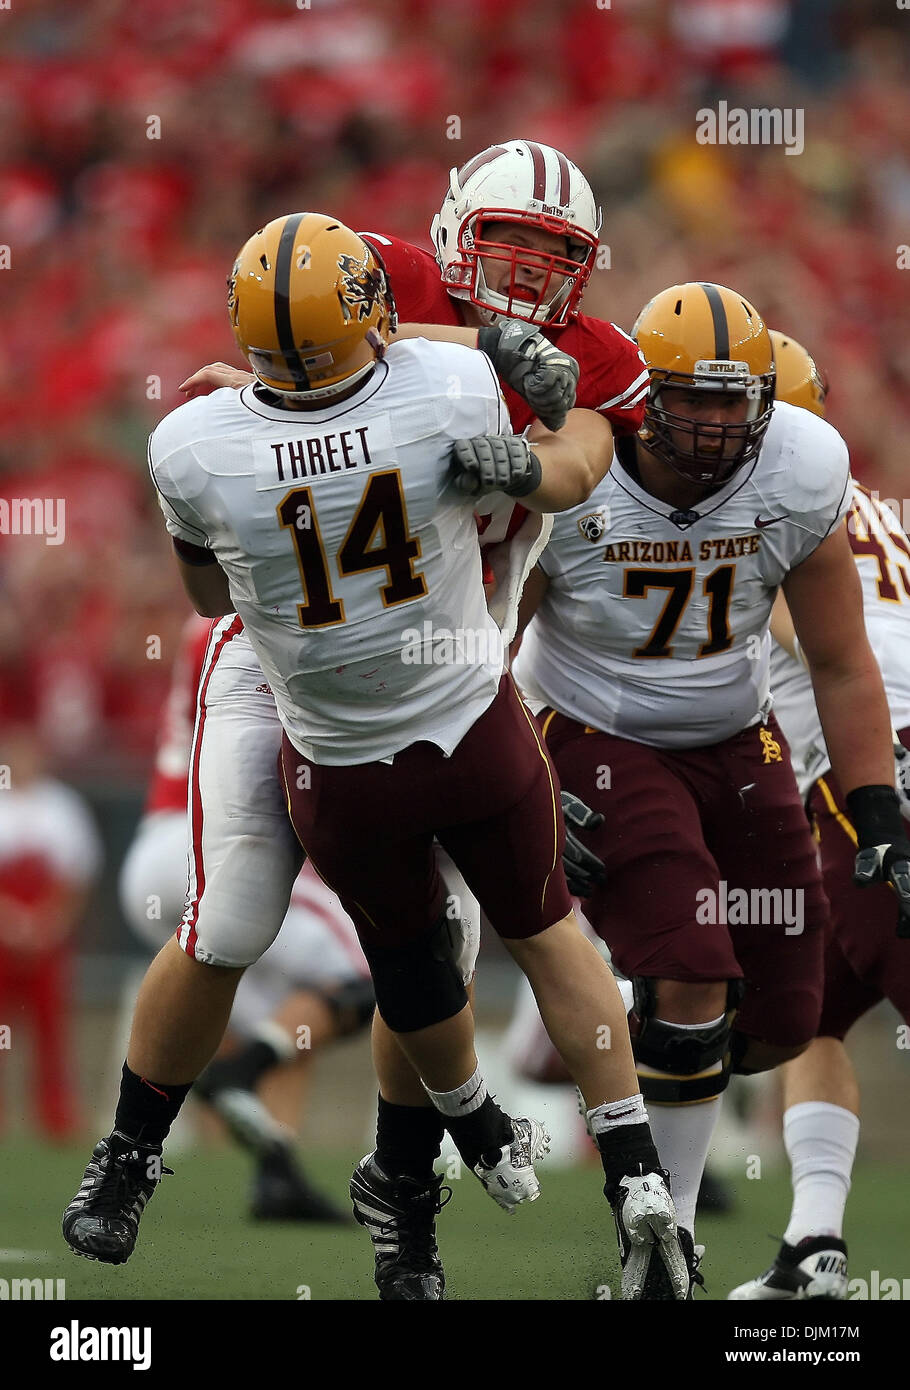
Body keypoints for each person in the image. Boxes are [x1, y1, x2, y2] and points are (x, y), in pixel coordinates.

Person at [64, 212, 688, 1301]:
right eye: (500, 252)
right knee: (238, 920)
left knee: (430, 941)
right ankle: (128, 1158)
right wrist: (497, 365)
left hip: (433, 667)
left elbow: (205, 577)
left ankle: (406, 1203)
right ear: (432, 254)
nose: (520, 281)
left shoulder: (200, 438)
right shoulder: (437, 367)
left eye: (550, 255)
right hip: (291, 670)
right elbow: (575, 434)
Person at [511, 282, 910, 1287]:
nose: (721, 423)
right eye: (698, 397)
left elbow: (839, 661)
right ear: (643, 391)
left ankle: (654, 1068)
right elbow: (476, 646)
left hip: (741, 738)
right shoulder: (577, 464)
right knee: (690, 965)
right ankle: (665, 1242)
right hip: (594, 723)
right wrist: (521, 783)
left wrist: (875, 807)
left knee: (781, 1018)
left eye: (741, 402)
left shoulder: (801, 469)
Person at [729, 332, 910, 1299]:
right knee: (812, 1022)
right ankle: (813, 1251)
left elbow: (816, 642)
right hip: (854, 780)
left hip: (873, 780)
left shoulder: (778, 514)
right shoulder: (884, 513)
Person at [119, 612, 375, 1222]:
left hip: (159, 843)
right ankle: (237, 1074)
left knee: (278, 1016)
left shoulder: (203, 621)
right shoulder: (267, 611)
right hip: (210, 841)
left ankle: (274, 1168)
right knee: (369, 973)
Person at [0, 725, 102, 1138]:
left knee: (51, 1030)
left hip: (47, 940)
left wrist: (48, 923)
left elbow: (78, 875)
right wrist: (9, 921)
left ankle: (55, 1115)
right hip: (4, 937)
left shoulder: (62, 805)